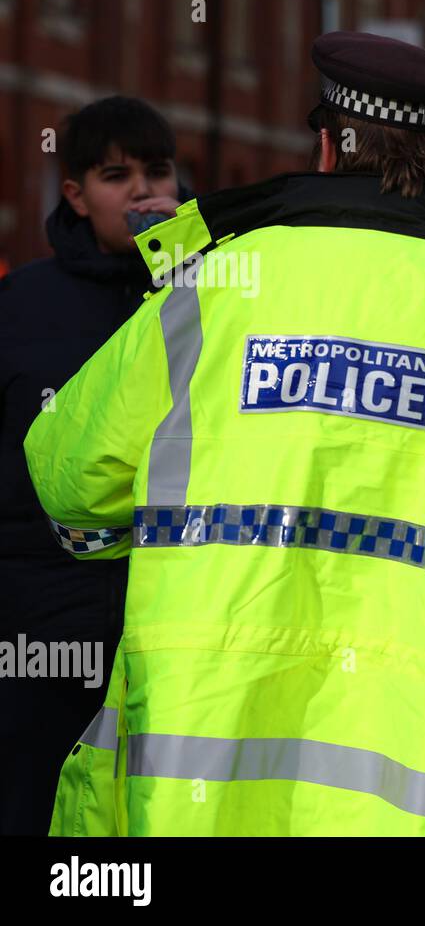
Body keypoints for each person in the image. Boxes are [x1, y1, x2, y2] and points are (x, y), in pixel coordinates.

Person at [26, 31, 425, 837]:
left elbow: (72, 490)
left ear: (326, 145)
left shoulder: (209, 284)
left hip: (194, 796)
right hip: (412, 799)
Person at [0, 96, 185, 835]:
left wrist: (188, 273)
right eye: (117, 175)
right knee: (34, 805)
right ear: (74, 194)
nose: (143, 191)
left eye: (158, 170)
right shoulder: (22, 305)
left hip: (172, 623)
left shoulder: (216, 293)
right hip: (41, 623)